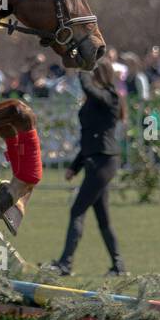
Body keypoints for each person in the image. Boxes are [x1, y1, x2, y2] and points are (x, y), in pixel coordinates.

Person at [46, 61, 126, 277]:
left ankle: (65, 264)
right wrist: (75, 167)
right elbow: (88, 140)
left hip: (104, 162)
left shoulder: (110, 97)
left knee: (77, 211)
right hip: (94, 162)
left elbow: (89, 90)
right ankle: (118, 266)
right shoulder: (97, 99)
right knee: (103, 219)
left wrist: (83, 69)